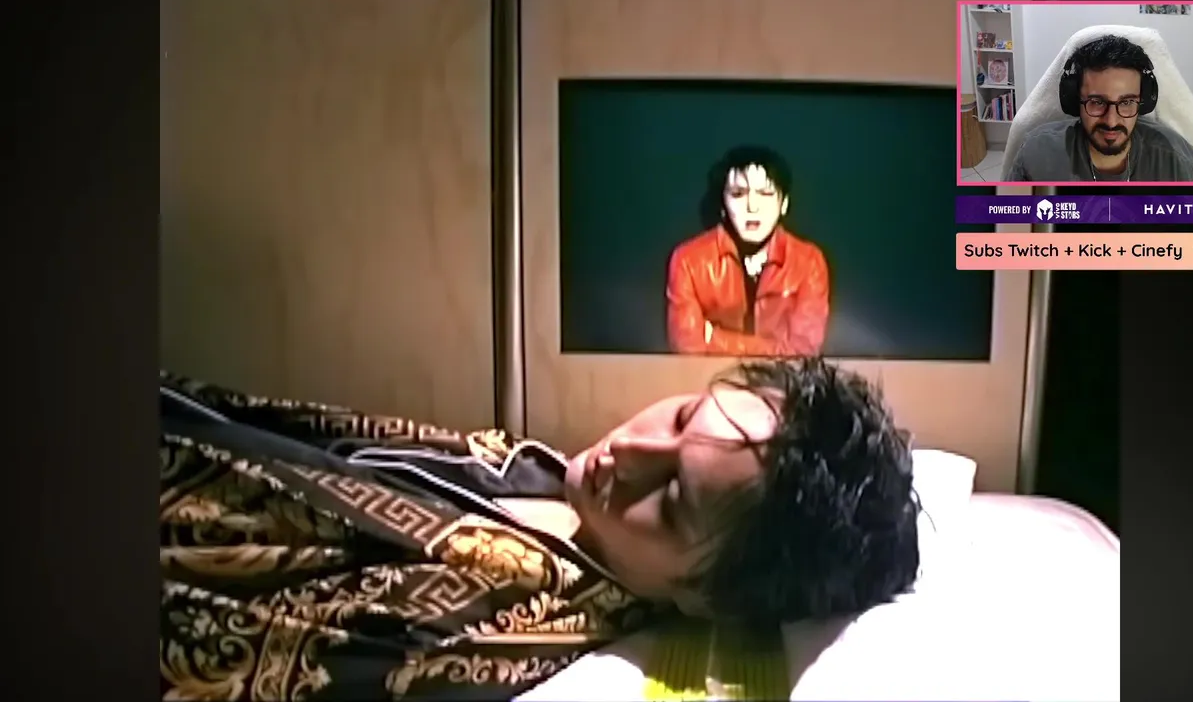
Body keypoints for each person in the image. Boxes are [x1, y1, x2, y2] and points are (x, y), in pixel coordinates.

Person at [160, 357, 920, 700]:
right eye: (682, 416)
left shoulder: (481, 631)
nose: (630, 451)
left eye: (673, 501)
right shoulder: (538, 473)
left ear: (706, 597)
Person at [666, 146, 831, 356]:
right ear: (723, 206)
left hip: (781, 378)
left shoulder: (808, 262)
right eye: (738, 194)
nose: (752, 207)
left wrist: (714, 337)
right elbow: (686, 345)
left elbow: (803, 350)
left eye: (765, 194)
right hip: (709, 376)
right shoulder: (689, 261)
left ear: (784, 204)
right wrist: (776, 347)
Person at [1004, 34, 1193, 183]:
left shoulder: (1177, 160)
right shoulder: (1037, 154)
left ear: (1144, 102)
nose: (1111, 121)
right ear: (1075, 101)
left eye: (1126, 102)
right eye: (1097, 102)